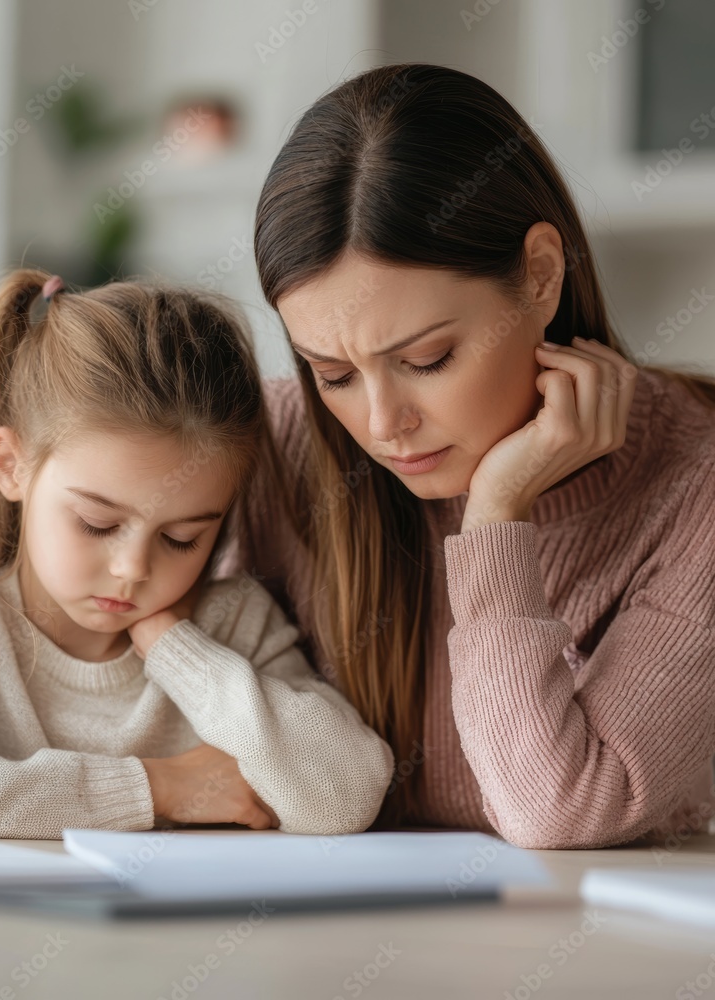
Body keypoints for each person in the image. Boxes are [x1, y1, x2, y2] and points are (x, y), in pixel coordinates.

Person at [218, 63, 715, 850]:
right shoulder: (274, 445)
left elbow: (553, 808)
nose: (383, 425)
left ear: (542, 277)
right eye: (335, 374)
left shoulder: (698, 491)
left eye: (428, 359)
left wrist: (494, 518)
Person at [0, 269, 394, 840]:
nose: (133, 569)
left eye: (181, 539)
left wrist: (176, 650)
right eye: (98, 524)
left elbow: (347, 794)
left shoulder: (228, 626)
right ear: (11, 466)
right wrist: (161, 787)